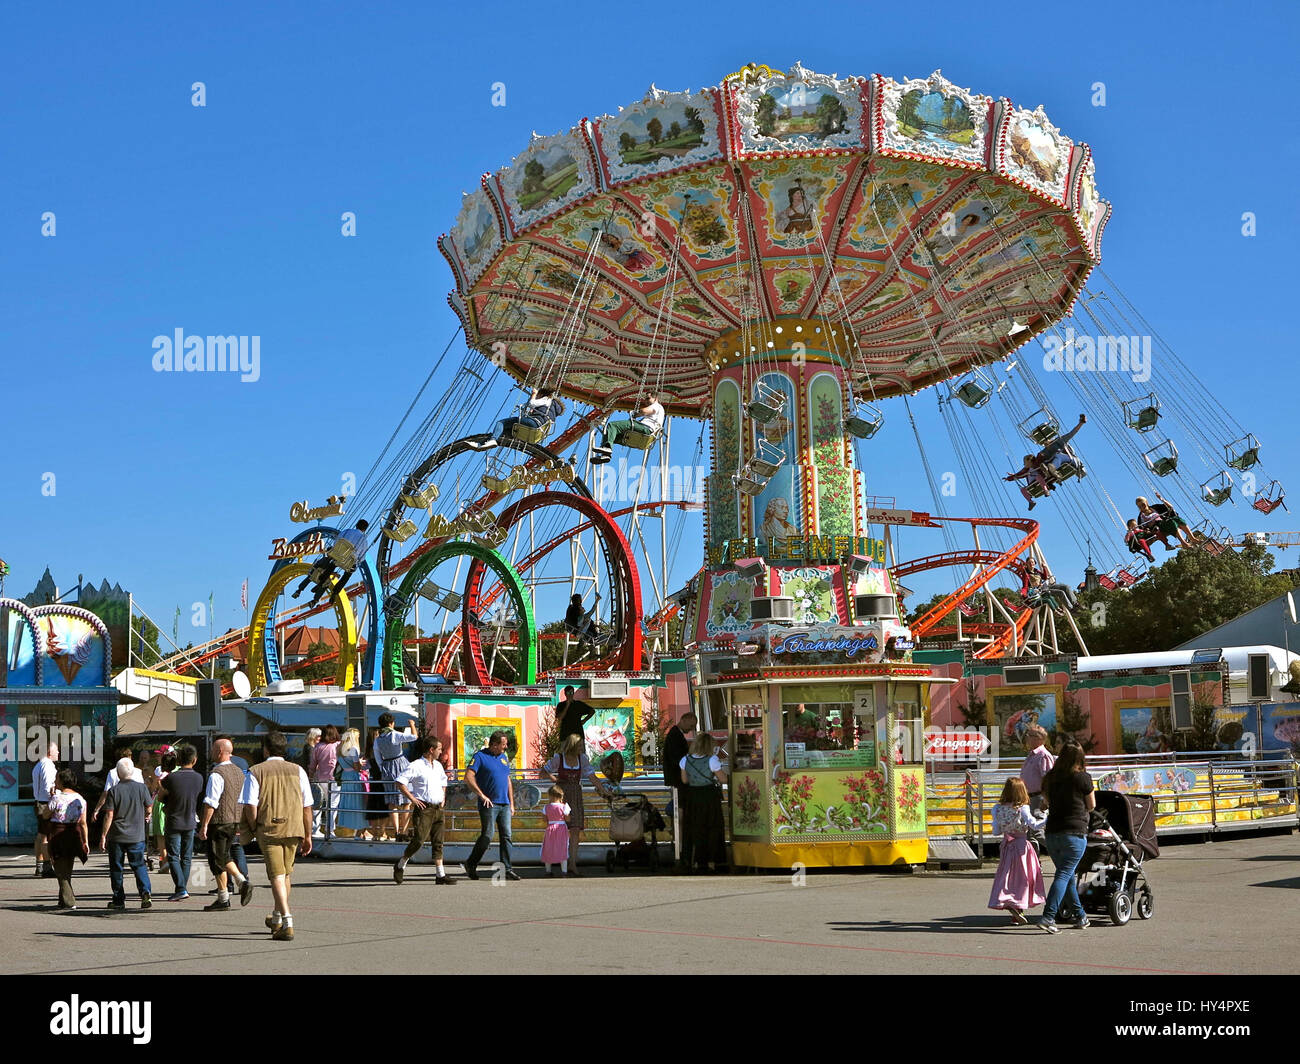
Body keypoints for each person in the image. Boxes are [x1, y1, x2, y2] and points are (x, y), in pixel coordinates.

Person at [240, 731, 314, 941]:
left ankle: (287, 921)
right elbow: (307, 806)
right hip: (294, 829)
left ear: (265, 749)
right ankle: (276, 917)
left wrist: (254, 827)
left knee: (276, 876)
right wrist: (308, 835)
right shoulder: (298, 770)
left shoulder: (255, 771)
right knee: (285, 874)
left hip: (270, 829)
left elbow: (250, 805)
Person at [1038, 742, 1096, 934]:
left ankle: (1081, 916)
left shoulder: (1050, 778)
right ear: (1080, 758)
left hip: (1052, 834)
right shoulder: (1082, 778)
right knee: (1063, 875)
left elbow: (1044, 803)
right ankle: (1048, 916)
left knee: (1068, 876)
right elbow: (1091, 805)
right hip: (1074, 833)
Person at [197, 737, 253, 912]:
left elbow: (211, 802)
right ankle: (236, 884)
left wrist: (204, 824)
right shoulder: (238, 772)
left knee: (216, 858)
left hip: (220, 821)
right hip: (235, 820)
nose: (211, 752)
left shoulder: (216, 774)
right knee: (224, 855)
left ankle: (228, 893)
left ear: (220, 752)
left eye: (214, 749)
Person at [541, 733, 609, 877]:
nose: (582, 748)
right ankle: (557, 861)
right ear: (572, 745)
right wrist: (555, 779)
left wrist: (603, 790)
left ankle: (572, 863)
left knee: (575, 829)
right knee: (558, 829)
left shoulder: (582, 759)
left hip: (576, 795)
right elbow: (543, 772)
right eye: (579, 746)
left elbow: (592, 776)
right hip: (561, 797)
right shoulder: (559, 758)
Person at [393, 736, 455, 885]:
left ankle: (440, 874)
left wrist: (443, 796)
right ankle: (401, 864)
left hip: (438, 808)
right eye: (439, 749)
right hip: (424, 808)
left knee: (438, 841)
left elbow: (443, 780)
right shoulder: (416, 765)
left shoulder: (438, 766)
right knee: (419, 839)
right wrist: (413, 799)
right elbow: (400, 782)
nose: (441, 752)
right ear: (431, 750)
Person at [987, 777, 1047, 925]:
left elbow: (995, 831)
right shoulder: (1023, 808)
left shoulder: (997, 809)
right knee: (1024, 878)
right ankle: (1018, 904)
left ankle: (1014, 908)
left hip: (1007, 846)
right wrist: (1046, 818)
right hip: (1021, 847)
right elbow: (1034, 825)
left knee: (1007, 876)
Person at [463, 731, 519, 881]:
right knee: (487, 835)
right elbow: (468, 776)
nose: (506, 747)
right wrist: (481, 795)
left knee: (507, 835)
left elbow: (508, 780)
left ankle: (507, 868)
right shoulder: (480, 757)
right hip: (489, 804)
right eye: (503, 744)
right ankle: (471, 863)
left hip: (504, 804)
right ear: (494, 745)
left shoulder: (503, 758)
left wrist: (512, 803)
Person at [101, 757, 153, 911]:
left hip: (117, 836)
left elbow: (109, 815)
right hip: (137, 835)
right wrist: (146, 815)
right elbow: (149, 807)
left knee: (117, 867)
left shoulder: (114, 791)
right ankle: (145, 893)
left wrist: (104, 835)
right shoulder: (142, 788)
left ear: (118, 773)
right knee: (139, 865)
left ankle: (118, 899)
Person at [1004, 414, 1087, 510]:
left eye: (1047, 441)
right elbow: (1022, 473)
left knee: (1057, 456)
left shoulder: (1059, 442)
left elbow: (1071, 433)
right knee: (1047, 463)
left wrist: (1080, 423)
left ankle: (1051, 472)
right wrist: (1011, 477)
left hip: (1067, 460)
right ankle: (1050, 472)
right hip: (1047, 469)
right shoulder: (1041, 454)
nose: (1045, 443)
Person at [159, 743, 204, 902]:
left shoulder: (171, 777)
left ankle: (180, 888)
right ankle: (182, 887)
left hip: (174, 820)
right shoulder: (199, 778)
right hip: (190, 821)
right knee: (186, 857)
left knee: (173, 855)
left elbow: (161, 796)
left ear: (178, 760)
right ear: (194, 760)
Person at [679, 731, 727, 874]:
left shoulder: (684, 760)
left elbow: (684, 780)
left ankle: (697, 861)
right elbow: (723, 779)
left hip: (692, 797)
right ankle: (712, 861)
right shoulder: (712, 760)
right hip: (709, 796)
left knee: (695, 829)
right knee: (713, 828)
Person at [293, 519, 370, 607]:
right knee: (347, 575)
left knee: (332, 564)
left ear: (356, 525)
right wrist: (355, 562)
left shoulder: (347, 531)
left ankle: (320, 583)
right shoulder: (364, 540)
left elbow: (337, 541)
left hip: (337, 556)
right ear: (365, 529)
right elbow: (361, 558)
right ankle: (335, 592)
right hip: (349, 561)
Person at [41, 769, 88, 910]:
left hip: (58, 834)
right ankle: (62, 900)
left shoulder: (57, 798)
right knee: (67, 868)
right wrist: (85, 841)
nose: (55, 781)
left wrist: (51, 798)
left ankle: (69, 901)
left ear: (62, 781)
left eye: (57, 779)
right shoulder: (80, 799)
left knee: (61, 870)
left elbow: (45, 815)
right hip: (74, 834)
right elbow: (83, 822)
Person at [467, 386, 566, 450]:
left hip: (534, 423)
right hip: (539, 431)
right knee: (505, 432)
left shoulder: (547, 399)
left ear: (542, 394)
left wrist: (534, 395)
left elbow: (532, 403)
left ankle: (492, 439)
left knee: (501, 423)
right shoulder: (554, 410)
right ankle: (482, 444)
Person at [373, 713, 418, 839]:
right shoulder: (394, 734)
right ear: (391, 723)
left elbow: (378, 758)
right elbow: (414, 737)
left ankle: (397, 831)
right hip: (400, 764)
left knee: (392, 802)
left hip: (387, 766)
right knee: (406, 802)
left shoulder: (378, 739)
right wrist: (412, 725)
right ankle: (404, 831)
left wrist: (383, 767)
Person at [592, 394, 665, 464]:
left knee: (612, 426)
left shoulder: (656, 406)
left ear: (655, 399)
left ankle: (607, 448)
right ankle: (606, 454)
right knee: (613, 436)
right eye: (645, 399)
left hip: (645, 428)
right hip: (647, 435)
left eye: (648, 398)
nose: (646, 401)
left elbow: (644, 411)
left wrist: (636, 414)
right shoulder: (660, 411)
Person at [92, 746, 144, 822]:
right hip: (135, 810)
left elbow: (106, 793)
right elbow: (142, 791)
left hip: (118, 809)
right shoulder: (138, 772)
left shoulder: (113, 772)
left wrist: (97, 809)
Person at [336, 728, 372, 839]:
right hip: (354, 777)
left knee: (349, 803)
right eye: (357, 737)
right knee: (359, 803)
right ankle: (359, 831)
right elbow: (357, 768)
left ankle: (356, 831)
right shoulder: (353, 750)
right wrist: (360, 763)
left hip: (345, 778)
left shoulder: (339, 749)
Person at [309, 725, 342, 838]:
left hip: (320, 778)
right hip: (334, 779)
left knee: (318, 804)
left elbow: (312, 765)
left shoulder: (318, 747)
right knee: (332, 806)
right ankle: (330, 830)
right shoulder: (338, 745)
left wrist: (311, 776)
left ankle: (315, 829)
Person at [32, 742, 58, 878]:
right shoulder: (48, 765)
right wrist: (57, 798)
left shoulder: (38, 765)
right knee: (46, 837)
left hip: (38, 802)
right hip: (46, 803)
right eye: (56, 750)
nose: (58, 753)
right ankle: (47, 867)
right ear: (49, 752)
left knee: (40, 835)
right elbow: (49, 787)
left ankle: (39, 865)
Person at [148, 747, 175, 872]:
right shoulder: (178, 769)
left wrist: (151, 781)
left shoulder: (159, 770)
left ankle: (165, 864)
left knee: (161, 836)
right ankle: (172, 862)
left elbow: (154, 788)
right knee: (172, 836)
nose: (157, 757)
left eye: (159, 755)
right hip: (174, 803)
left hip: (160, 802)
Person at [540, 784, 571, 876]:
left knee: (548, 848)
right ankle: (564, 871)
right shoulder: (564, 806)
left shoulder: (546, 807)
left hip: (550, 828)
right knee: (562, 848)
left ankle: (548, 871)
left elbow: (544, 819)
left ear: (550, 795)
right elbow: (568, 819)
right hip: (561, 828)